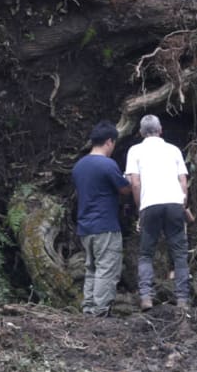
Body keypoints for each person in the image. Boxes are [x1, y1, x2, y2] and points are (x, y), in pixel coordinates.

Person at [125, 113, 190, 311]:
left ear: (140, 132)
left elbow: (135, 183)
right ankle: (182, 299)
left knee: (146, 254)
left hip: (150, 204)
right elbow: (183, 181)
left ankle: (146, 297)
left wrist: (140, 207)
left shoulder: (135, 151)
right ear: (160, 130)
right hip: (174, 203)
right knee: (179, 254)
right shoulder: (173, 150)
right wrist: (182, 203)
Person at [71, 120, 131, 317]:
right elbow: (125, 189)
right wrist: (130, 178)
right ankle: (101, 312)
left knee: (91, 268)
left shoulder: (79, 166)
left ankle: (89, 309)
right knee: (107, 268)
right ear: (109, 142)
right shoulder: (107, 164)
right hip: (105, 225)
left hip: (85, 226)